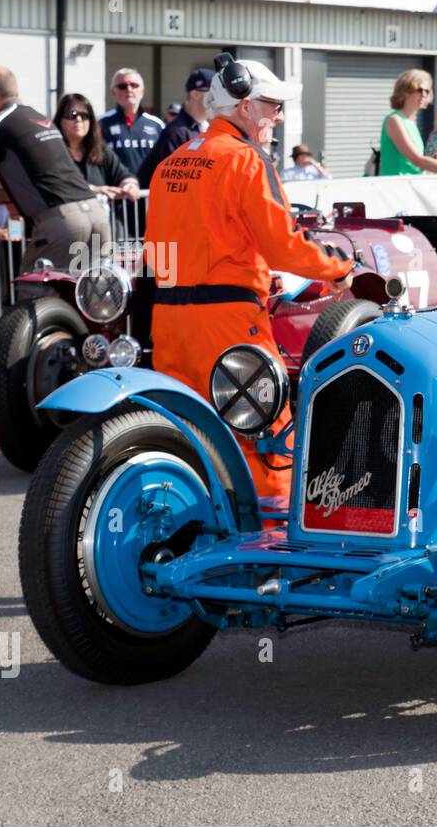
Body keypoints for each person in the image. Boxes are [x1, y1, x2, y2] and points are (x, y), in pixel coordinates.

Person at [143, 57, 356, 500]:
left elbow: (162, 250)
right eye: (272, 106)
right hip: (229, 328)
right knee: (264, 437)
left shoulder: (171, 165)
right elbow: (283, 244)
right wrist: (339, 268)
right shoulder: (246, 161)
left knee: (186, 441)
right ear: (244, 106)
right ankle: (271, 551)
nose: (278, 117)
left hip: (169, 325)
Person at [0, 66, 110, 273]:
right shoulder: (41, 119)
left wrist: (10, 197)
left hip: (62, 223)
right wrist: (15, 196)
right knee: (90, 297)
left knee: (35, 294)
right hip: (96, 214)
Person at [378, 69, 437, 184]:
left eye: (427, 91)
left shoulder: (411, 123)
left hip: (410, 187)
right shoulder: (394, 120)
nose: (423, 94)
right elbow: (416, 159)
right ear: (405, 91)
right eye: (419, 90)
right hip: (395, 188)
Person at [54, 92, 139, 201]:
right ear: (60, 120)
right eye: (72, 115)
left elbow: (123, 175)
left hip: (99, 217)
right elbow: (56, 185)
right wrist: (94, 190)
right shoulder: (52, 151)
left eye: (84, 116)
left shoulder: (100, 150)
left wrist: (130, 185)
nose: (78, 119)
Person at [138, 68, 212, 188]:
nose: (215, 99)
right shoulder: (175, 132)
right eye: (212, 93)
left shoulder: (206, 127)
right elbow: (174, 179)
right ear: (195, 94)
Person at [97, 68, 164, 176]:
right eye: (122, 86)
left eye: (134, 85)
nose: (129, 89)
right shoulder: (100, 123)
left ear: (142, 91)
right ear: (113, 92)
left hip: (148, 191)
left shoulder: (157, 125)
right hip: (116, 191)